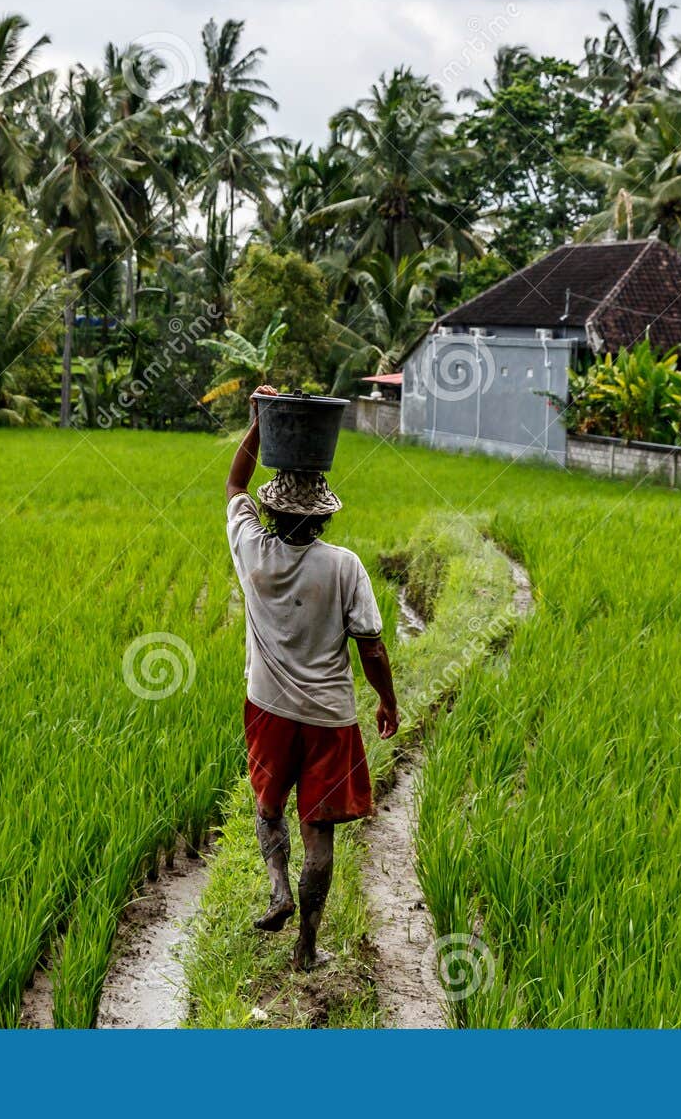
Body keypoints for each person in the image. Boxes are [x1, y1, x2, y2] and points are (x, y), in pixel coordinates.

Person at [225, 384, 399, 971]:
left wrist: (258, 422)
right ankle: (306, 946)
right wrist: (388, 702)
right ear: (323, 513)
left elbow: (233, 487)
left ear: (272, 510)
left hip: (267, 707)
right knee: (318, 830)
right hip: (328, 718)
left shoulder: (252, 548)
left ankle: (276, 884)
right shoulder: (343, 565)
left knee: (268, 805)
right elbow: (371, 647)